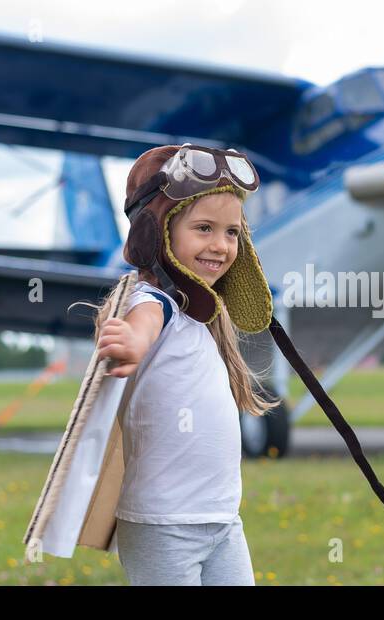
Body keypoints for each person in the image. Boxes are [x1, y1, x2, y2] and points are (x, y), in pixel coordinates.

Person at [91, 144, 278, 585]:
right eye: (204, 228)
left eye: (232, 233)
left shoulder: (204, 319)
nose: (221, 245)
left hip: (223, 520)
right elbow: (144, 320)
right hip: (163, 525)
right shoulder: (154, 301)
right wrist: (132, 341)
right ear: (159, 233)